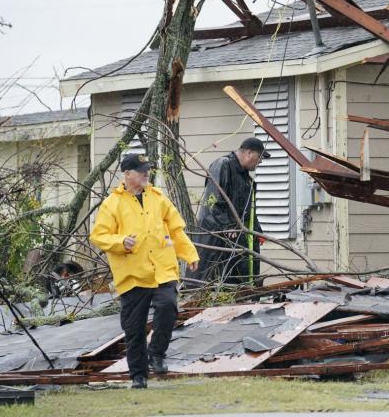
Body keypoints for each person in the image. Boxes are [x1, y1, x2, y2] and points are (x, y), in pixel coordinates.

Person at [90, 153, 199, 389]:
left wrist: (189, 254)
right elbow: (98, 235)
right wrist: (120, 242)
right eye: (141, 171)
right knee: (134, 328)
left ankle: (157, 353)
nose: (146, 174)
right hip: (133, 274)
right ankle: (138, 375)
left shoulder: (158, 198)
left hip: (162, 269)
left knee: (168, 307)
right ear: (127, 174)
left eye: (147, 170)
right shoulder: (112, 203)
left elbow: (176, 229)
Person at [191, 137, 269, 285]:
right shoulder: (223, 165)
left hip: (237, 237)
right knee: (217, 281)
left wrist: (257, 230)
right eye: (259, 157)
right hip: (217, 237)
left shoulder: (245, 178)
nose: (260, 162)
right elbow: (214, 201)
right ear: (249, 153)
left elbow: (246, 209)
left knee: (238, 281)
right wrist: (228, 225)